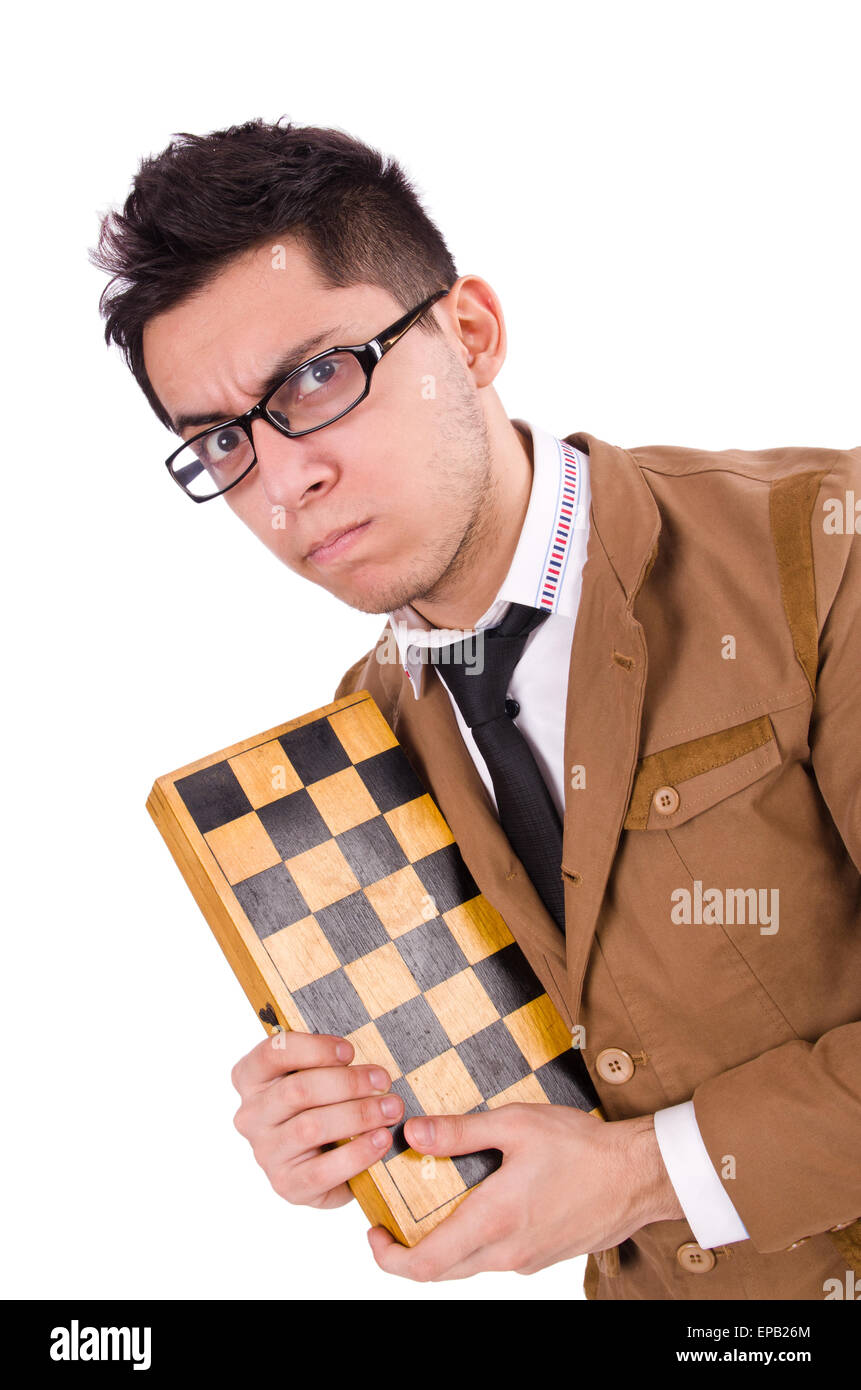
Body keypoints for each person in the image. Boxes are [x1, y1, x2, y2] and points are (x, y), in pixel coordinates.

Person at [91, 117, 861, 1300]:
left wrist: (639, 1173)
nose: (286, 477)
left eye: (316, 376)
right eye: (222, 441)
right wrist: (355, 1136)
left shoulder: (821, 547)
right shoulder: (354, 747)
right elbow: (531, 1128)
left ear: (471, 332)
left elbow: (616, 1166)